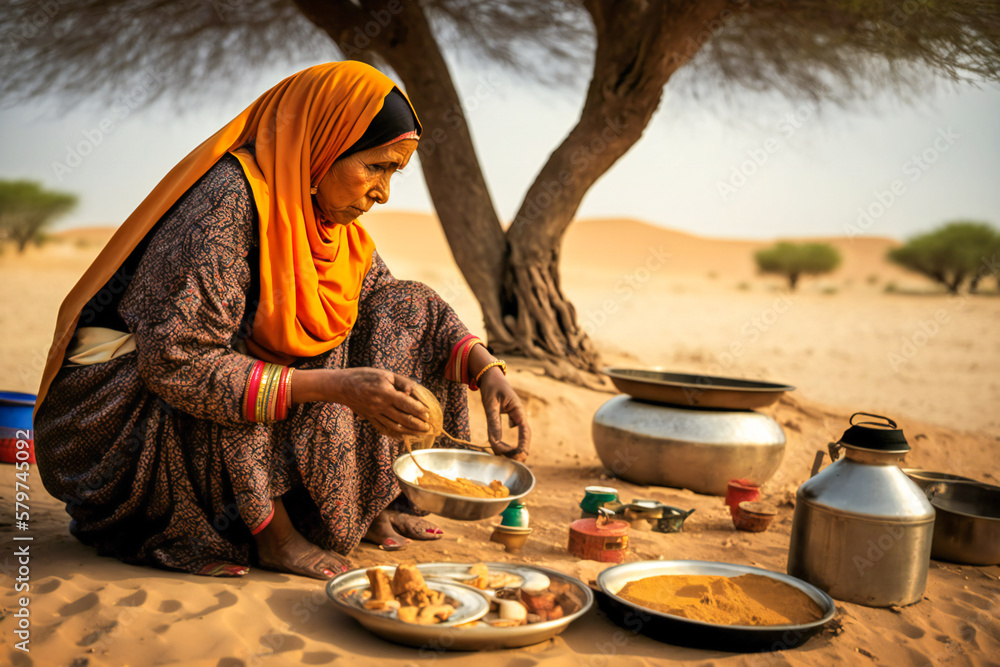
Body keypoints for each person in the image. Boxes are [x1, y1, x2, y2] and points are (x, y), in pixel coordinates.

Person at [33, 62, 531, 580]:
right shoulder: (227, 201)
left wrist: (485, 368)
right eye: (377, 167)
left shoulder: (317, 211)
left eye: (393, 174)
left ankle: (365, 499)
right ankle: (274, 535)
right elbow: (180, 364)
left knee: (397, 307)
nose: (383, 193)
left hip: (192, 393)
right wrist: (336, 385)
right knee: (261, 347)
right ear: (323, 140)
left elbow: (388, 298)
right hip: (125, 430)